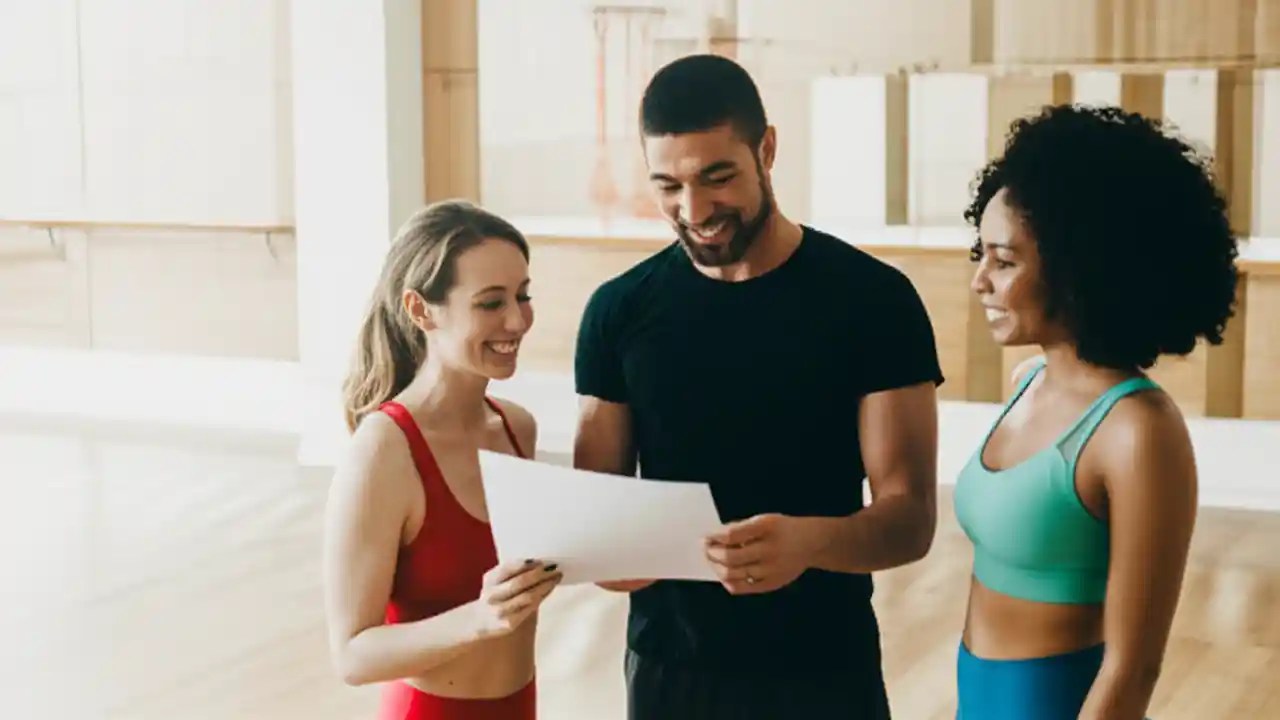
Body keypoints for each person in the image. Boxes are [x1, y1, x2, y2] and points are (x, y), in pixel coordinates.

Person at [572, 53, 945, 719]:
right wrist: (603, 553)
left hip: (824, 670)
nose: (695, 210)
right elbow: (598, 528)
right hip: (669, 672)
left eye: (718, 178)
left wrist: (808, 543)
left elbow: (909, 520)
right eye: (668, 187)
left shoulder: (874, 301)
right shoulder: (618, 312)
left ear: (766, 149)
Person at [954, 104, 1239, 719]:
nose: (980, 282)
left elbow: (1133, 669)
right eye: (981, 254)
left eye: (1005, 262)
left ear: (1079, 269)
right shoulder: (1025, 381)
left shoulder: (1138, 432)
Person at [322, 200, 563, 720]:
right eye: (490, 303)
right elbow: (352, 655)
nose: (517, 320)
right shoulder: (384, 451)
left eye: (522, 295)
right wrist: (482, 618)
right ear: (420, 309)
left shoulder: (518, 428)